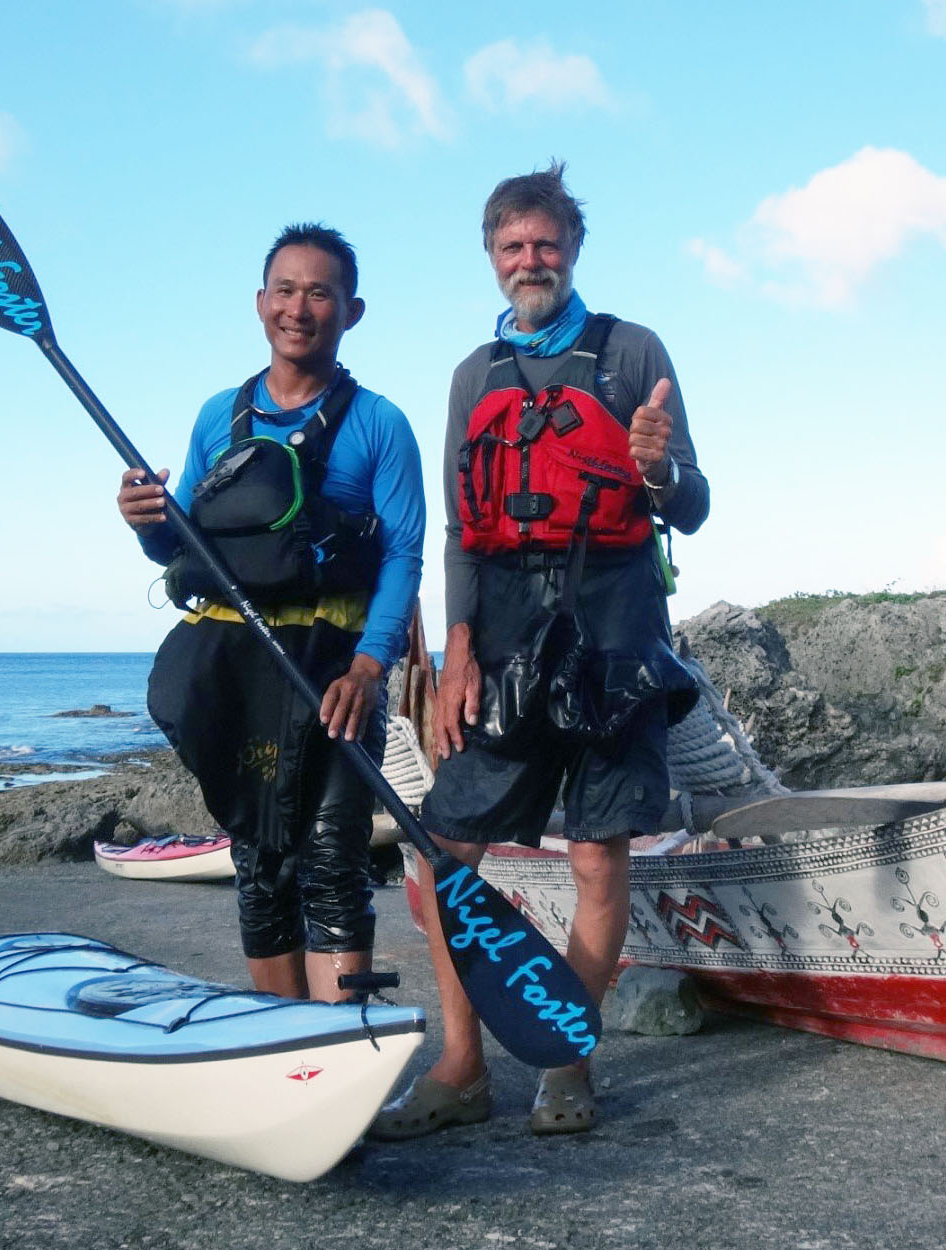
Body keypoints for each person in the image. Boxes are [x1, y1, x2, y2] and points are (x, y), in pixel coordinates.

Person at [371, 163, 708, 1138]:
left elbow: (694, 504)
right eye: (513, 246)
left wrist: (661, 469)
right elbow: (460, 528)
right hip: (506, 645)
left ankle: (566, 1053)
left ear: (573, 250)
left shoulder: (633, 349)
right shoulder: (472, 375)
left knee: (598, 858)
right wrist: (460, 641)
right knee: (446, 851)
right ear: (492, 257)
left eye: (546, 243)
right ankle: (464, 1062)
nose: (531, 260)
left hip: (614, 639)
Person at [116, 224, 424, 1003]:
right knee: (258, 854)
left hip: (331, 667)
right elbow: (181, 551)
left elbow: (403, 557)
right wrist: (147, 519)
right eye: (285, 290)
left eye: (319, 292)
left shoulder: (379, 424)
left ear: (352, 310)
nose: (299, 307)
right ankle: (280, 1040)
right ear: (260, 303)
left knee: (331, 852)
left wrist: (368, 665)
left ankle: (344, 1042)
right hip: (237, 662)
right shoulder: (218, 416)